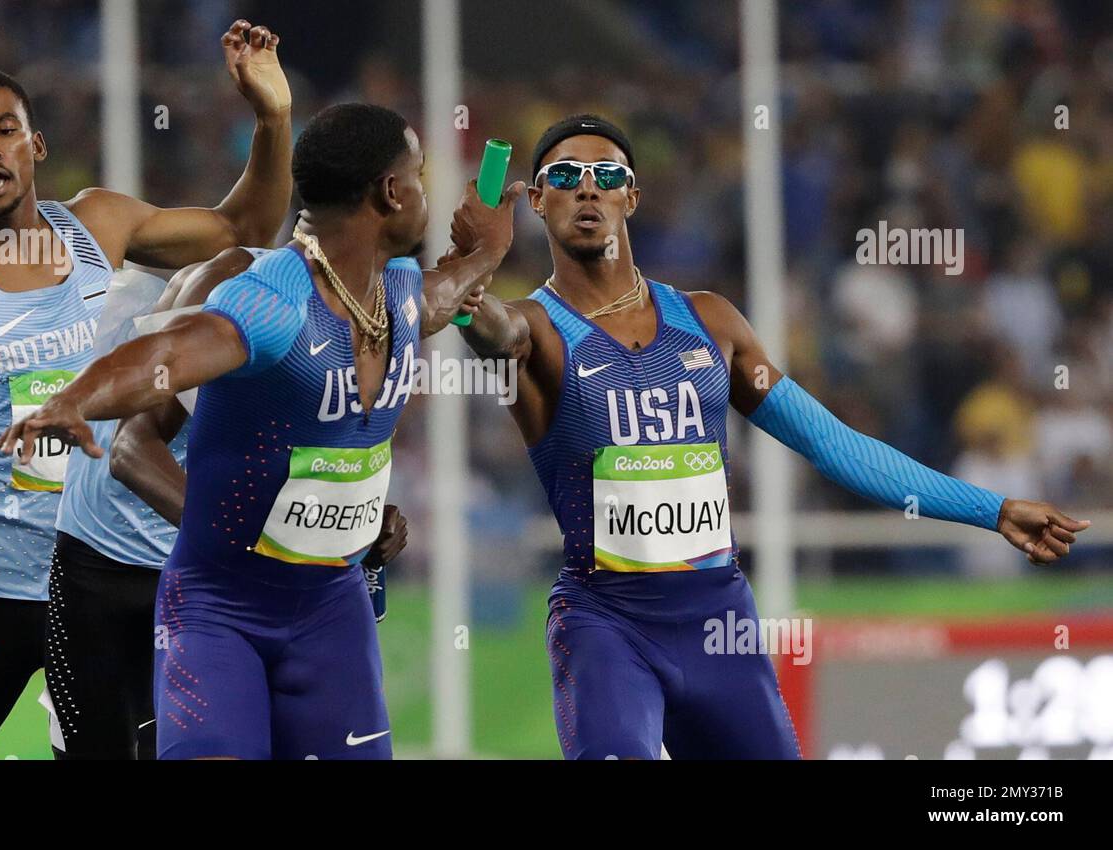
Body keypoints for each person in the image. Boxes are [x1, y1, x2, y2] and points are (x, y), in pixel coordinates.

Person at [455, 114, 1092, 759]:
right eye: (564, 176)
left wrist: (993, 509)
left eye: (606, 175)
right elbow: (485, 328)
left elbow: (832, 444)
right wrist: (473, 266)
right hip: (606, 628)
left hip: (717, 625)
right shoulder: (536, 331)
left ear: (632, 196)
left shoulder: (710, 321)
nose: (586, 188)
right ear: (536, 200)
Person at [0, 102, 522, 759]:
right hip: (219, 609)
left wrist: (488, 252)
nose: (425, 189)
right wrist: (76, 399)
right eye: (417, 174)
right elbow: (168, 359)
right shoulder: (269, 297)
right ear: (391, 192)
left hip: (331, 612)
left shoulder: (401, 291)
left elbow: (444, 296)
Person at [0, 19, 294, 759]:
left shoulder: (103, 224)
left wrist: (271, 116)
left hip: (116, 582)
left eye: (5, 129)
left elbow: (246, 226)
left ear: (36, 146)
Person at [47, 247, 408, 759]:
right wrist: (241, 544)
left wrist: (362, 520)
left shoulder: (370, 306)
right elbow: (130, 451)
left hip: (224, 573)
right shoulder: (237, 290)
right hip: (120, 564)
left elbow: (315, 462)